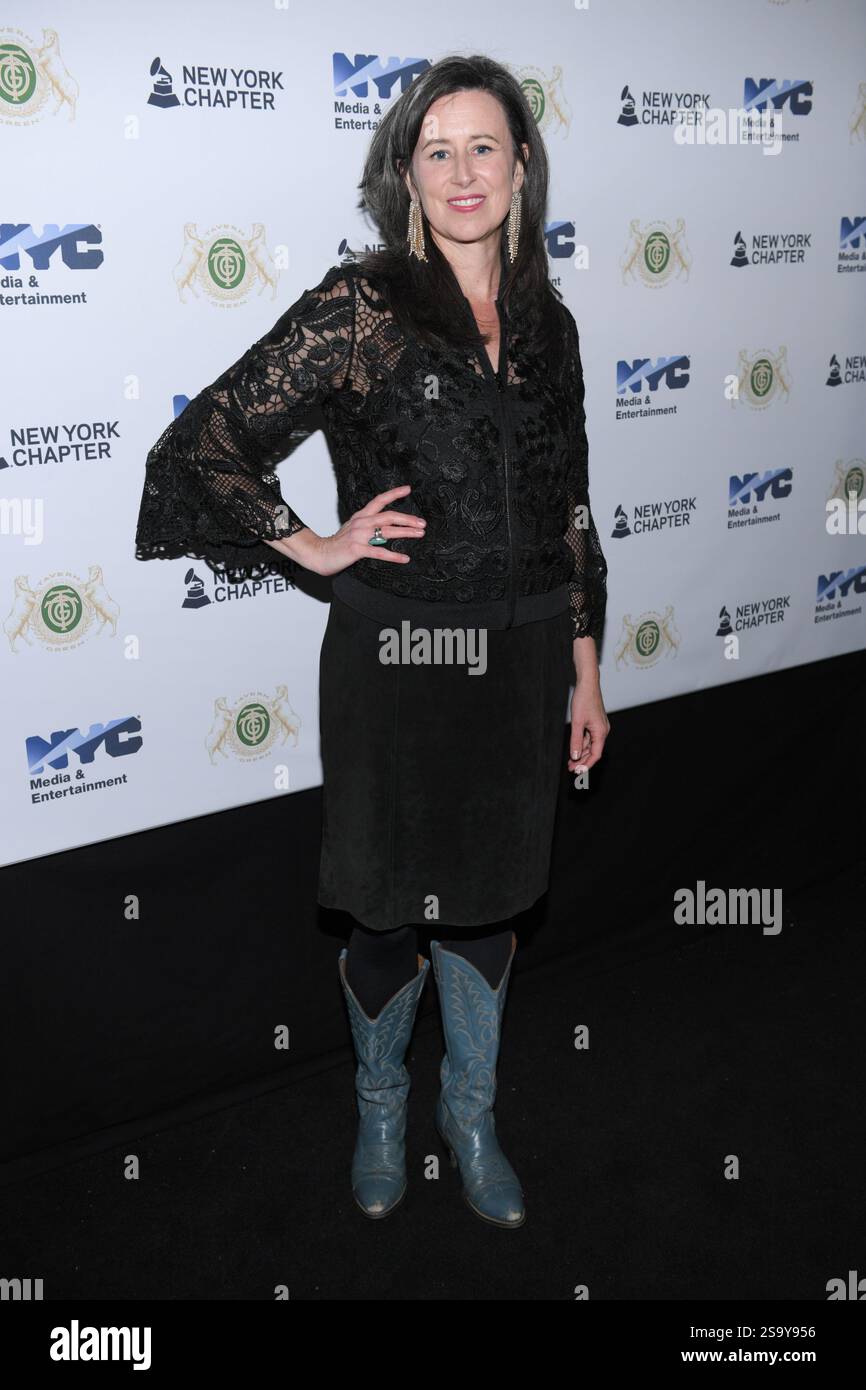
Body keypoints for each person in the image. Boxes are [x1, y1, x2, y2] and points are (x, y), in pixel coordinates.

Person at [134, 54, 609, 1230]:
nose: (461, 169)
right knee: (388, 909)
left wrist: (586, 667)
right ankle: (382, 1104)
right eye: (435, 148)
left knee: (492, 905)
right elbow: (200, 447)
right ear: (404, 172)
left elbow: (571, 511)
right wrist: (307, 540)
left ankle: (470, 1105)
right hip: (397, 664)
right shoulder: (361, 309)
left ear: (521, 165)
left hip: (524, 665)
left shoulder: (551, 326)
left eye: (483, 145)